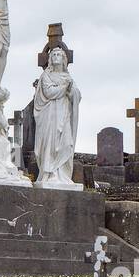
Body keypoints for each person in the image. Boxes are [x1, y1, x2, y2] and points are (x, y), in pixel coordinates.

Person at [32, 47, 80, 187]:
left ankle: (63, 175)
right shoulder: (46, 76)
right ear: (50, 59)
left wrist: (71, 90)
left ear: (64, 59)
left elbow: (76, 96)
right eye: (54, 55)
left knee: (66, 143)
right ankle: (50, 173)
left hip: (64, 114)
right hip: (50, 116)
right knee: (51, 145)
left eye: (59, 54)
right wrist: (64, 88)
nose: (56, 57)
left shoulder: (68, 77)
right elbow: (48, 92)